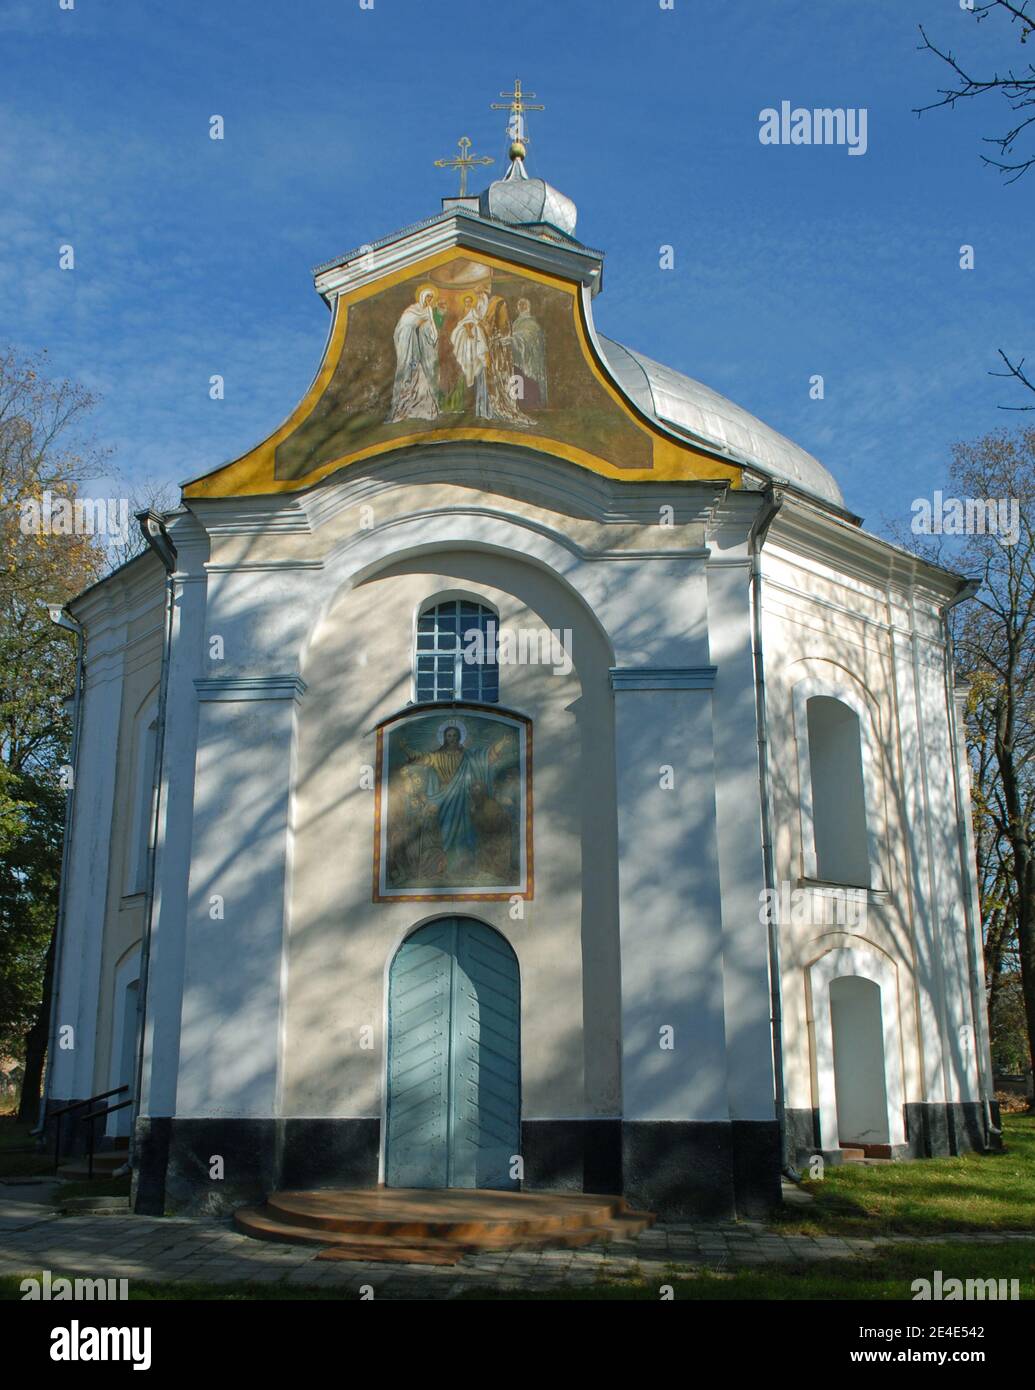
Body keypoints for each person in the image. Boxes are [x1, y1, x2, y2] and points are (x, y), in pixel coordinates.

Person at [386, 287, 440, 422]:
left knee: (421, 377)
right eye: (427, 297)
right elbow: (403, 327)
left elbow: (431, 328)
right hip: (409, 346)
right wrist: (417, 324)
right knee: (408, 373)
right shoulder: (412, 310)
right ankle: (403, 408)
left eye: (431, 298)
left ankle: (423, 409)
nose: (429, 300)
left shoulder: (428, 310)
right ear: (422, 297)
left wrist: (429, 334)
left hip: (422, 348)